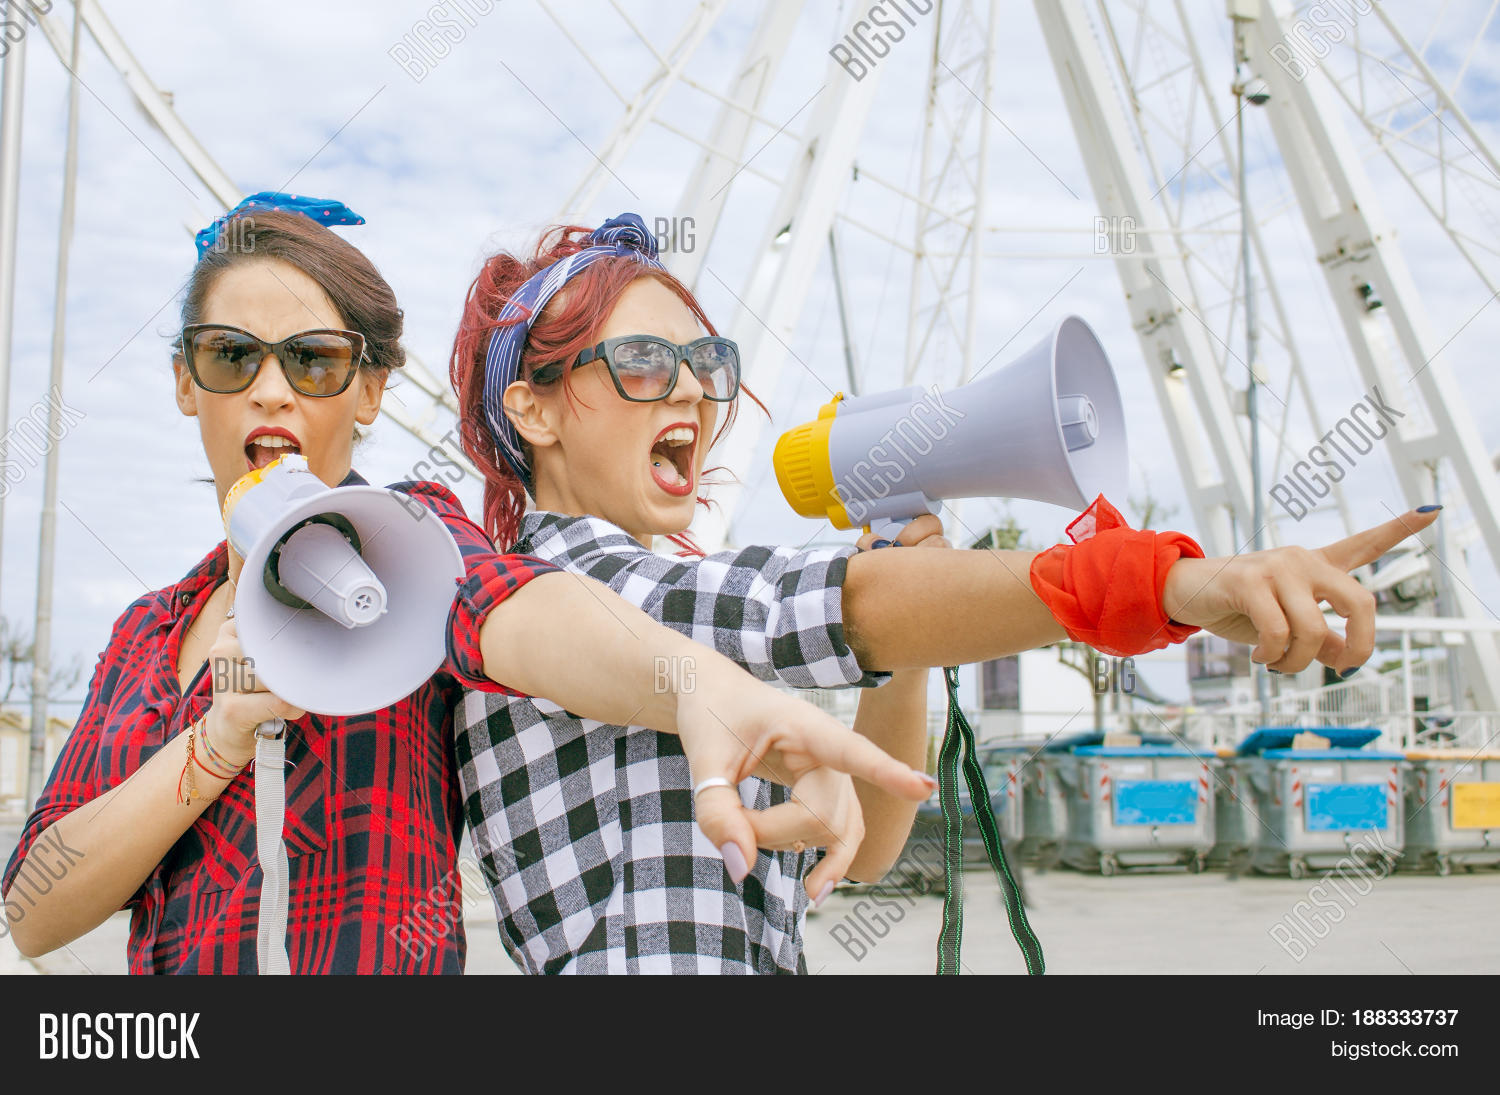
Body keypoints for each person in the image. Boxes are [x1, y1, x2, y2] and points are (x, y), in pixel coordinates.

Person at [447, 212, 1442, 974]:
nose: (688, 394)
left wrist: (910, 624)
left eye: (707, 367)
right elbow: (809, 605)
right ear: (529, 409)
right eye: (640, 363)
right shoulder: (558, 592)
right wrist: (1178, 581)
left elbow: (870, 849)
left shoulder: (692, 641)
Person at [0, 196, 934, 974]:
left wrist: (703, 686)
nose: (273, 390)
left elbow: (527, 611)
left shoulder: (415, 539)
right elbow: (35, 908)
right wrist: (217, 738)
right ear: (184, 382)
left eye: (315, 359)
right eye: (231, 356)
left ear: (368, 395)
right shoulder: (147, 633)